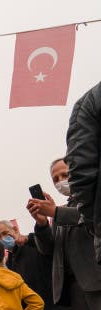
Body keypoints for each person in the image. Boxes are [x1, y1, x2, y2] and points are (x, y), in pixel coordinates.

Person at [29, 158, 101, 310]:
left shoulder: (92, 198)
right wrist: (42, 223)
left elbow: (88, 219)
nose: (61, 181)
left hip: (96, 280)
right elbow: (49, 249)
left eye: (64, 174)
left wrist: (56, 212)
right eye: (56, 178)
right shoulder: (60, 212)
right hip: (75, 289)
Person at [64, 80, 100, 264]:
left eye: (63, 175)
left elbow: (81, 171)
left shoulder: (91, 102)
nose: (62, 180)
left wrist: (94, 223)